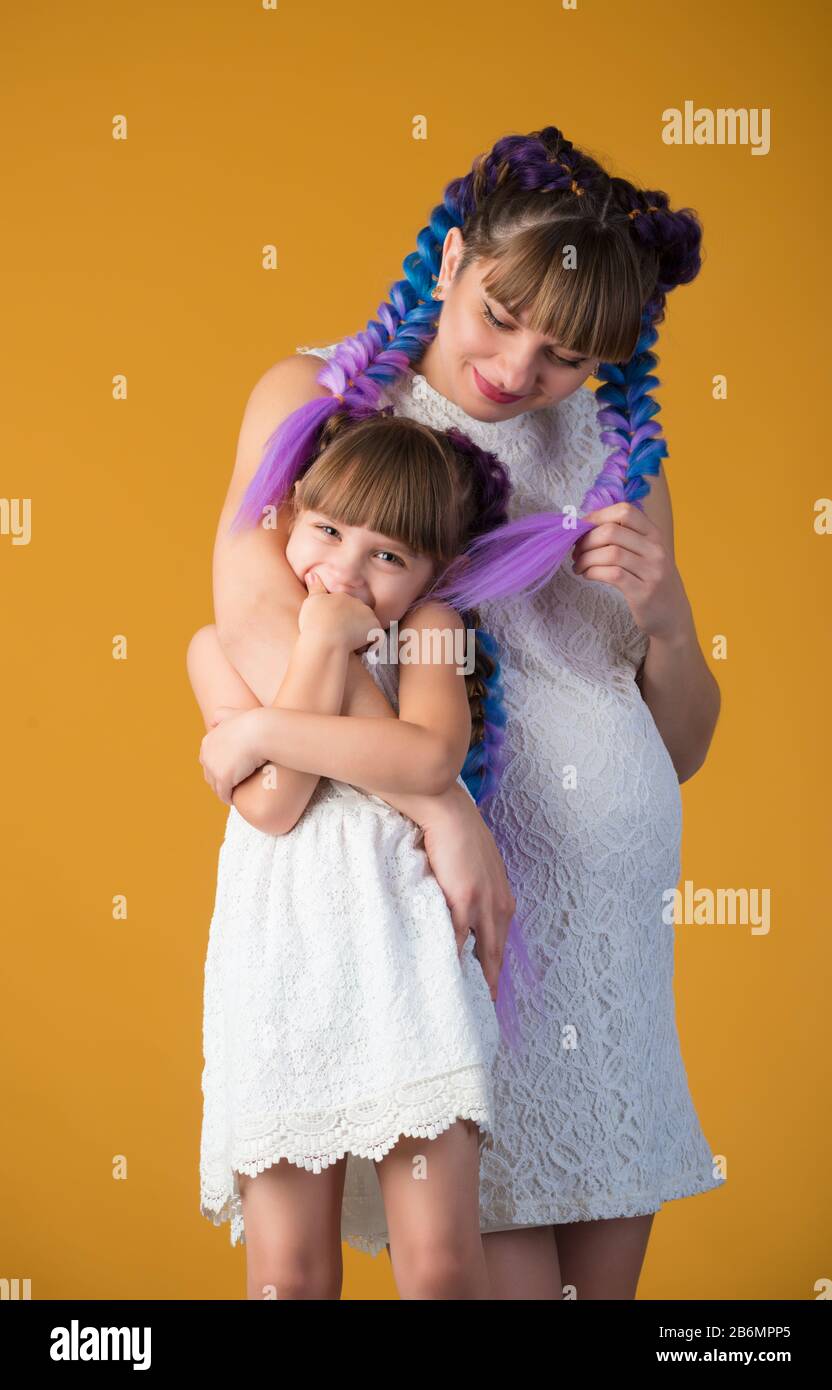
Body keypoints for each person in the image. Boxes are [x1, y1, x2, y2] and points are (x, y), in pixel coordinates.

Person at [211, 125, 725, 1300]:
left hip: (606, 928)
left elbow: (681, 743)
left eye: (565, 353)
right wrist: (440, 805)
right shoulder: (327, 401)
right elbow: (256, 634)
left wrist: (665, 624)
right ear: (448, 264)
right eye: (499, 314)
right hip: (446, 906)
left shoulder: (613, 453)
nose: (516, 367)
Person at [189, 405, 543, 1299]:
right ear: (288, 517)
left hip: (404, 955)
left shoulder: (427, 629)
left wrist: (268, 723)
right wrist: (318, 643)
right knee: (287, 1269)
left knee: (438, 1261)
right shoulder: (216, 643)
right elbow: (273, 804)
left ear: (435, 571)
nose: (343, 571)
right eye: (328, 532)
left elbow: (428, 759)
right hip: (278, 964)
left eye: (386, 555)